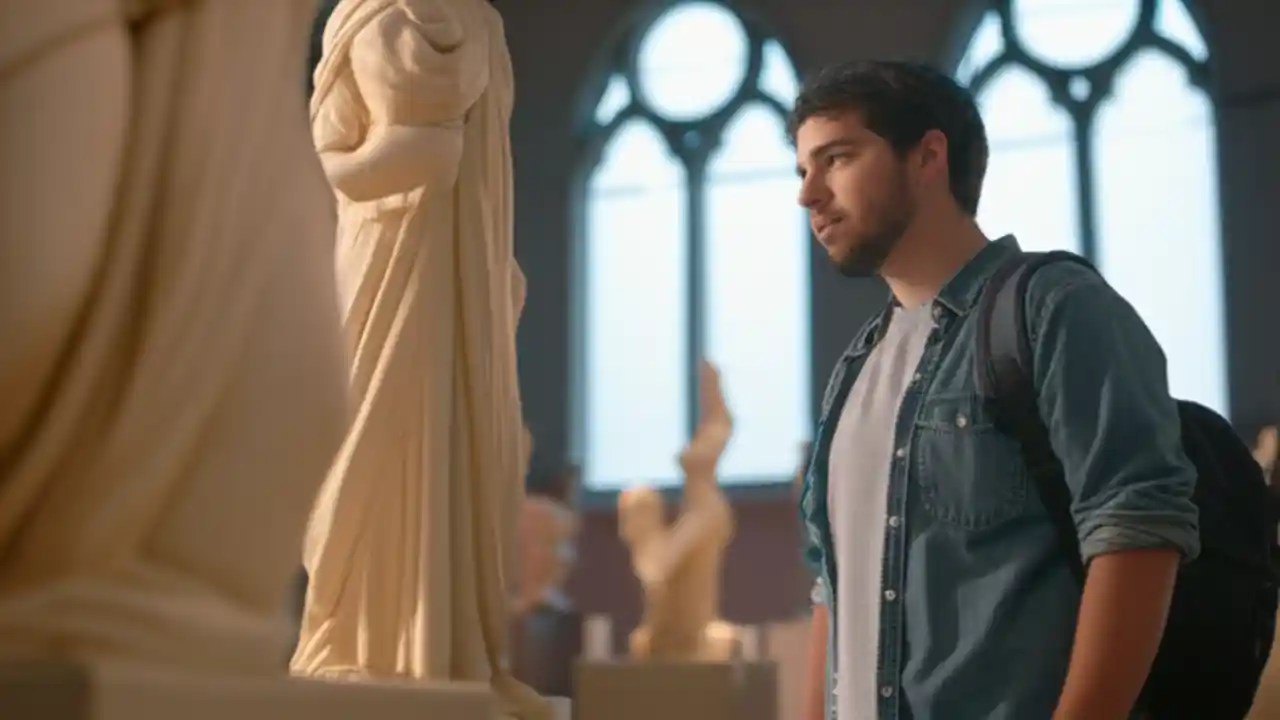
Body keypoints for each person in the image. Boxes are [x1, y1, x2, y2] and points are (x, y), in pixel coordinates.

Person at [791, 60, 1200, 720]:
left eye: (836, 158)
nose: (807, 193)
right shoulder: (855, 368)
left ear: (928, 156)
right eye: (802, 169)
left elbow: (1137, 527)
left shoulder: (1056, 309)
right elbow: (830, 587)